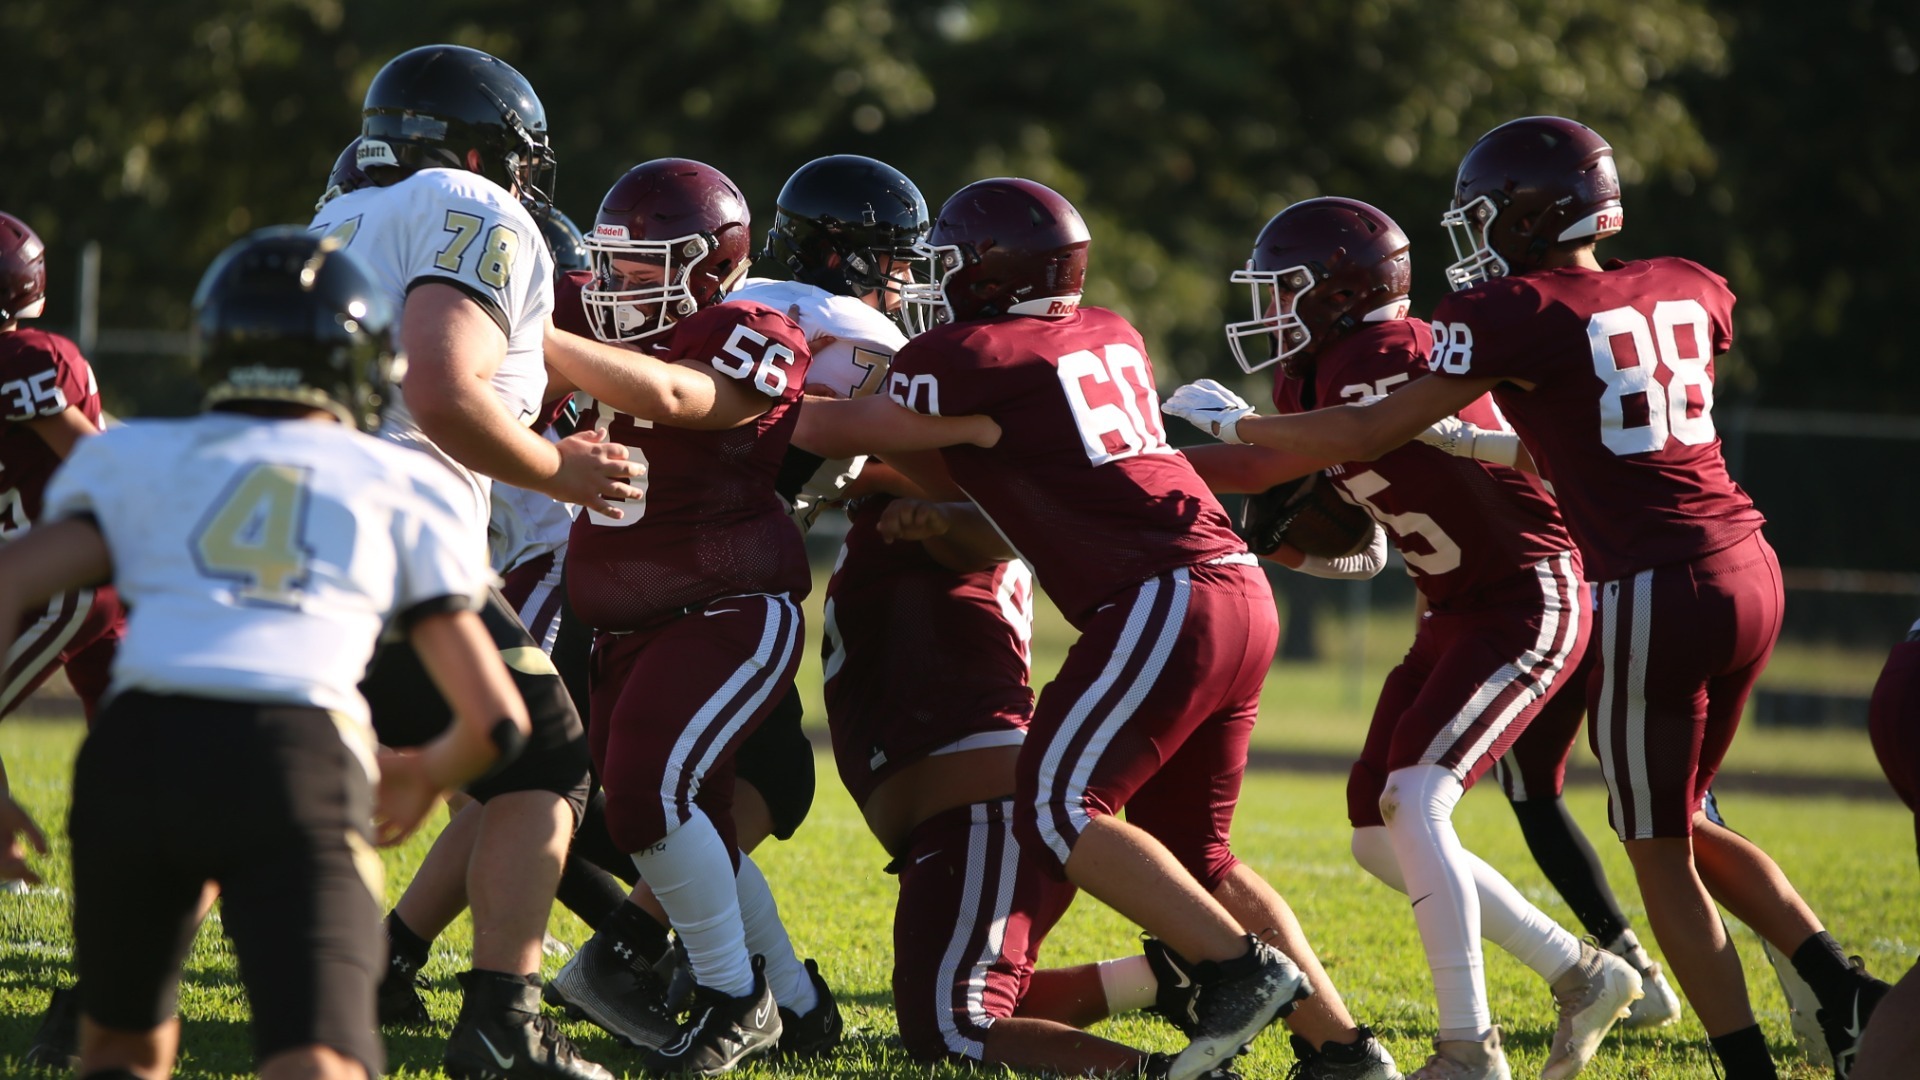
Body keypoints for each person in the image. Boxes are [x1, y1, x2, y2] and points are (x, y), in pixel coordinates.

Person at [1160, 115, 1888, 1080]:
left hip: (1623, 580)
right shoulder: (1684, 284)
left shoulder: (1488, 318)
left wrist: (1204, 436)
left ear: (1527, 218)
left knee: (1651, 842)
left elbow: (1366, 434)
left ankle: (1701, 1055)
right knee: (1663, 819)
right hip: (1742, 558)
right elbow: (1578, 440)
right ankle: (1830, 992)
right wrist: (1469, 448)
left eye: (1484, 217)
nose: (1470, 240)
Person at [876, 176, 1407, 1080]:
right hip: (1234, 588)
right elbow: (982, 470)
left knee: (1056, 803)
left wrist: (744, 410)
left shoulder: (971, 352)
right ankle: (1342, 1052)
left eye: (950, 263)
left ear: (989, 275)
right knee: (1201, 853)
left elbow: (872, 424)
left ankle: (1237, 970)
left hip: (1166, 594)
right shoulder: (1107, 331)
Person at [0, 228, 530, 1080]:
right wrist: (426, 772)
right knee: (317, 1058)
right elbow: (497, 720)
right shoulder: (399, 483)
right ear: (356, 359)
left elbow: (9, 577)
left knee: (121, 1050)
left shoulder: (136, 454)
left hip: (136, 753)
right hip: (294, 755)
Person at [1177, 196, 1642, 1079]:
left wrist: (1145, 455)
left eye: (1286, 292)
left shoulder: (1392, 355)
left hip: (1529, 595)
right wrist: (1284, 546)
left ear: (1341, 294)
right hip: (1454, 607)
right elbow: (1378, 548)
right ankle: (1580, 972)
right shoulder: (1307, 381)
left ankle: (1469, 1048)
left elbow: (1261, 459)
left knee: (1416, 797)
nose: (1270, 313)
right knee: (1373, 829)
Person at [309, 43, 636, 1080]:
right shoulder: (472, 204)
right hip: (391, 530)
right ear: (482, 150)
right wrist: (561, 468)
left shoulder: (336, 219)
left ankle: (102, 1000)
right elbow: (445, 388)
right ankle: (502, 1022)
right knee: (541, 758)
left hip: (286, 522)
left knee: (269, 753)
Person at [0, 208, 130, 1071]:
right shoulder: (37, 358)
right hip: (76, 582)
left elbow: (105, 467)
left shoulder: (26, 362)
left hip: (70, 579)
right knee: (148, 774)